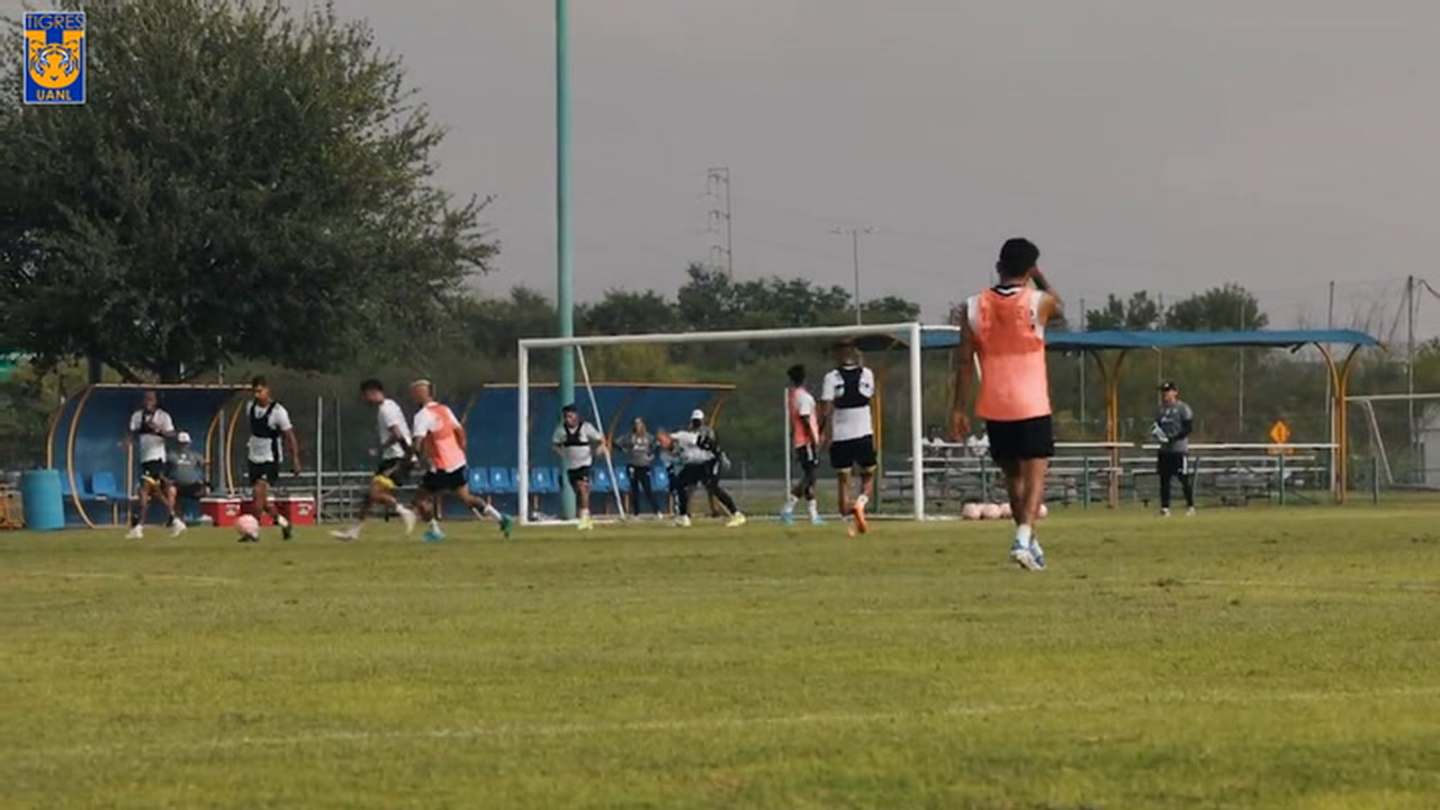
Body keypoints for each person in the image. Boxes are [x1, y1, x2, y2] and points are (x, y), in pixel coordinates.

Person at [950, 237, 1062, 571]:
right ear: (1029, 270)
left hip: (995, 402)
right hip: (1032, 401)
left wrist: (958, 408)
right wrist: (1038, 275)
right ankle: (1022, 539)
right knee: (1036, 472)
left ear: (998, 267)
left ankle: (1030, 543)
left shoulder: (972, 306)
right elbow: (1060, 306)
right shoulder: (1037, 302)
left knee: (1013, 477)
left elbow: (964, 364)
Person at [409, 379, 512, 542]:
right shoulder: (445, 410)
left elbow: (418, 442)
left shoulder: (422, 416)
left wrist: (413, 458)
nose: (412, 396)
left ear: (422, 394)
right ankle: (501, 518)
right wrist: (461, 451)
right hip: (456, 462)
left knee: (420, 499)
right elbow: (460, 431)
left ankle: (435, 531)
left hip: (440, 466)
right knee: (467, 497)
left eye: (414, 392)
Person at [331, 379, 420, 541]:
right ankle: (354, 531)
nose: (365, 400)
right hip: (391, 458)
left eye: (365, 396)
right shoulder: (389, 405)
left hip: (398, 458)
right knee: (369, 497)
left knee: (374, 492)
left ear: (371, 393)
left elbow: (397, 435)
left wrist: (406, 455)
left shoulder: (386, 410)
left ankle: (405, 512)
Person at [819, 339, 877, 535]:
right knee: (868, 476)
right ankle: (860, 504)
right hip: (863, 432)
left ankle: (848, 521)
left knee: (844, 480)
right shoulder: (867, 373)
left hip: (841, 435)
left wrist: (823, 433)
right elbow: (868, 396)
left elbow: (826, 409)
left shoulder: (831, 377)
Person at [244, 376, 301, 542]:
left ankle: (252, 532)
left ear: (268, 390)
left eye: (260, 391)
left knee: (258, 493)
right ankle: (284, 524)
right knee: (261, 501)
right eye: (254, 391)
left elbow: (290, 436)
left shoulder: (278, 412)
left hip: (271, 458)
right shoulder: (250, 407)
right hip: (254, 456)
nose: (257, 395)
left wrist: (295, 459)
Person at [657, 426, 745, 528]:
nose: (662, 443)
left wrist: (720, 454)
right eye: (659, 441)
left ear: (667, 436)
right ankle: (683, 517)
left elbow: (704, 441)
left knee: (712, 487)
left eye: (662, 439)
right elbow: (670, 468)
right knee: (680, 484)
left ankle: (737, 514)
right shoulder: (664, 452)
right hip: (695, 464)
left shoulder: (682, 437)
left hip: (709, 460)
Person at [126, 390, 183, 539]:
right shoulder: (137, 416)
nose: (148, 401)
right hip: (145, 458)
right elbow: (132, 432)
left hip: (156, 458)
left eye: (151, 399)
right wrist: (128, 442)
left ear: (156, 401)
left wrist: (158, 430)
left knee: (145, 490)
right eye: (146, 399)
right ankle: (175, 520)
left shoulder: (163, 416)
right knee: (156, 492)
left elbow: (172, 435)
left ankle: (138, 527)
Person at [553, 404, 607, 531]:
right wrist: (562, 454)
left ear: (576, 416)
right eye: (566, 417)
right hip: (571, 466)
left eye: (570, 416)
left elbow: (601, 440)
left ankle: (584, 518)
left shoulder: (586, 427)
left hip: (585, 463)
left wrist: (599, 449)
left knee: (583, 487)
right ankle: (585, 516)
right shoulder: (561, 430)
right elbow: (555, 446)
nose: (568, 419)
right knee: (579, 492)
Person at [781, 364, 823, 526]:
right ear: (804, 378)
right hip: (805, 442)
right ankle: (788, 507)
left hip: (800, 441)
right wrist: (813, 438)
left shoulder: (793, 396)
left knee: (810, 476)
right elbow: (805, 418)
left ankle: (813, 514)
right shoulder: (804, 397)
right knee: (810, 476)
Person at [1154, 380, 1196, 517]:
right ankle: (1165, 507)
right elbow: (1157, 426)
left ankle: (1190, 506)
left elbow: (1188, 428)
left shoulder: (1183, 408)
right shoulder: (1161, 410)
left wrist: (1174, 438)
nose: (1165, 394)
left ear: (1175, 392)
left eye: (1168, 391)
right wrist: (1158, 435)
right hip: (1164, 450)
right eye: (1163, 392)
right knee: (1164, 479)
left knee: (1183, 478)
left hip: (1179, 450)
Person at [616, 417, 663, 518]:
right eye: (635, 424)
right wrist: (623, 449)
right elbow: (617, 443)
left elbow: (656, 446)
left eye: (639, 424)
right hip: (633, 465)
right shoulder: (629, 437)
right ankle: (636, 512)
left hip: (644, 466)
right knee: (634, 490)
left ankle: (657, 511)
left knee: (648, 489)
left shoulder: (648, 437)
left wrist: (652, 456)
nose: (637, 426)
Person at [167, 431, 209, 507]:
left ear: (189, 443)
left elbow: (205, 463)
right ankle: (173, 516)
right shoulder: (171, 455)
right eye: (181, 443)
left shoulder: (195, 455)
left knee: (206, 490)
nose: (183, 446)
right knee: (171, 490)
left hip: (192, 485)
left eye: (185, 443)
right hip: (178, 485)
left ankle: (203, 513)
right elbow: (165, 469)